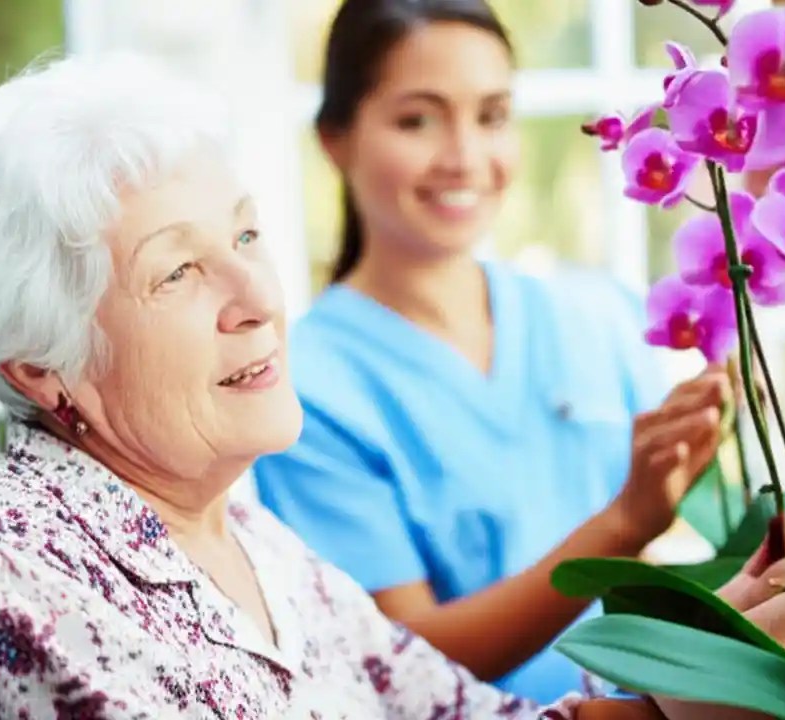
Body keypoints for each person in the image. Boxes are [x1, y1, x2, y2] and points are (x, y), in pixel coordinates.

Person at [0, 51, 785, 719]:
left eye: (244, 236)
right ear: (43, 362)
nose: (258, 296)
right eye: (178, 270)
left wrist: (719, 651)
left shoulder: (243, 540)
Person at [250, 0, 732, 703]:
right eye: (417, 119)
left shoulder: (596, 317)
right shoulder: (307, 394)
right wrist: (621, 526)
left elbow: (669, 572)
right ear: (336, 138)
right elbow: (399, 669)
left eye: (492, 116)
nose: (464, 157)